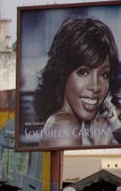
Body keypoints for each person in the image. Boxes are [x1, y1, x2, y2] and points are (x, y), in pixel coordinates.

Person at [33, 16, 121, 149]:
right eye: (83, 72)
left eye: (104, 74)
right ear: (63, 73)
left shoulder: (72, 123)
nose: (96, 86)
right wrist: (102, 147)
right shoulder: (65, 126)